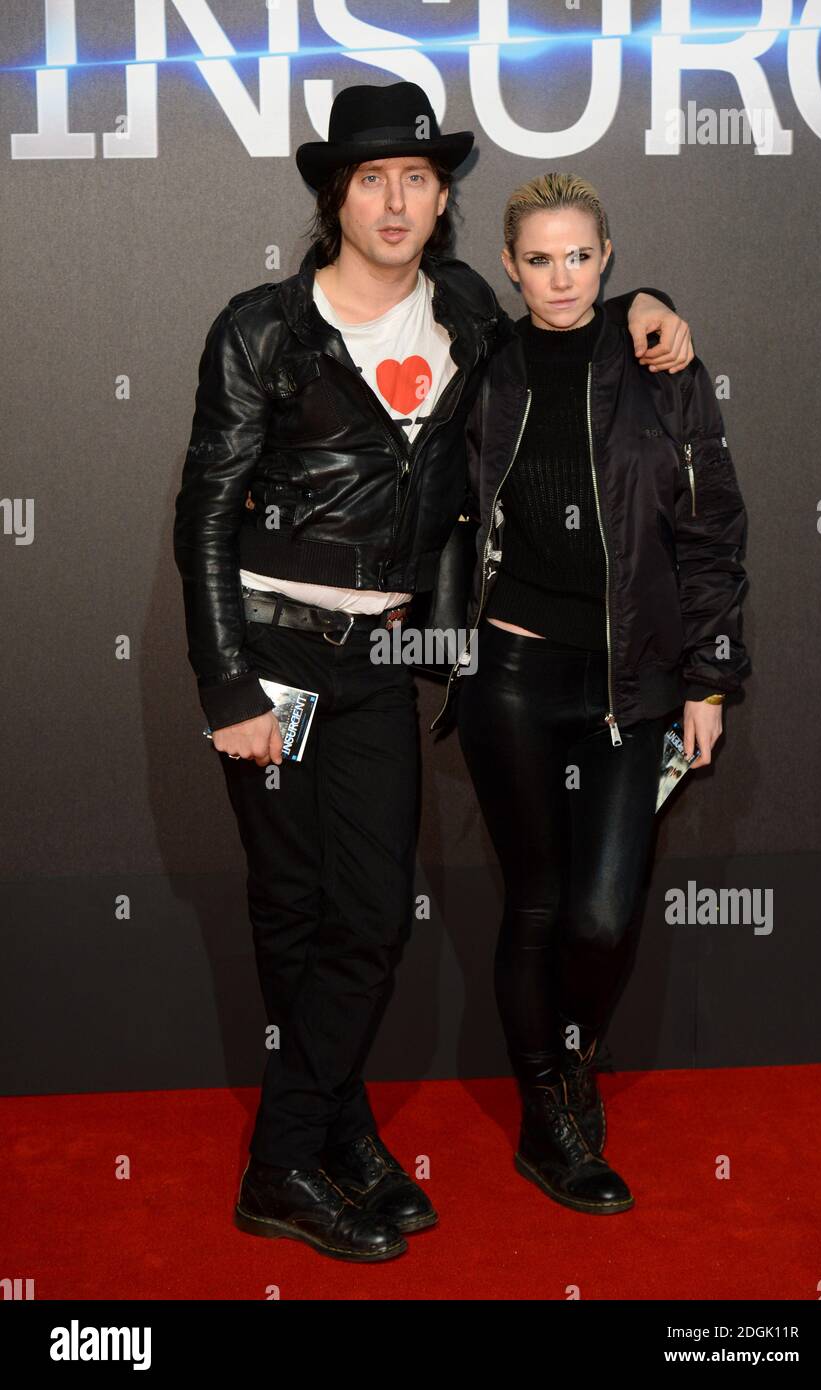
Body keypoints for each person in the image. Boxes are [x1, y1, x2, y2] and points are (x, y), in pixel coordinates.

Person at [173, 82, 693, 1261]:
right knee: (298, 914)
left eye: (417, 176)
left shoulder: (465, 308)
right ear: (335, 197)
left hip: (385, 664)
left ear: (444, 195)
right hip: (274, 652)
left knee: (368, 919)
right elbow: (203, 515)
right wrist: (226, 686)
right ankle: (309, 1151)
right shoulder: (261, 328)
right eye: (371, 178)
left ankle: (305, 1138)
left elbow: (571, 327)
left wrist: (650, 302)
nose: (396, 198)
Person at [431, 172, 751, 1215]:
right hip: (515, 673)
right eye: (538, 258)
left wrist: (709, 676)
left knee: (603, 913)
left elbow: (710, 532)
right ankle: (549, 1116)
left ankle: (576, 1053)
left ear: (607, 257)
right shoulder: (485, 363)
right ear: (510, 268)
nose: (559, 276)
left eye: (580, 255)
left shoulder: (662, 365)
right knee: (536, 901)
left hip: (632, 677)